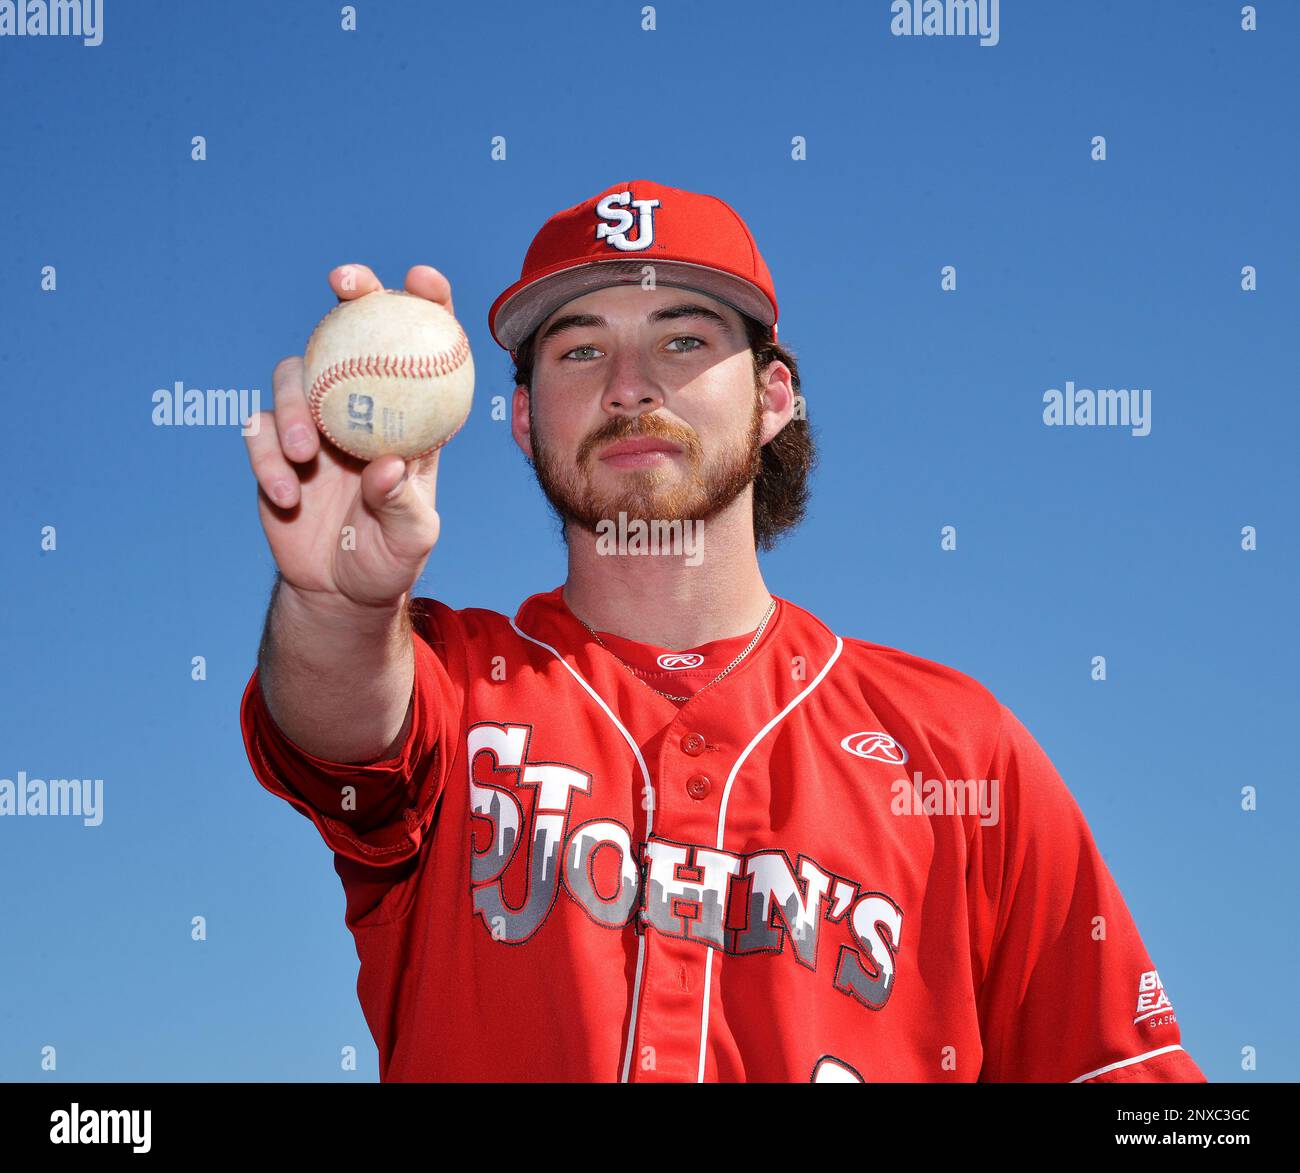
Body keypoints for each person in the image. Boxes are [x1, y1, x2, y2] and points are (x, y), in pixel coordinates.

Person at [239, 179, 1206, 1083]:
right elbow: (342, 720)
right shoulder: (450, 683)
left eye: (684, 340)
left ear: (775, 398)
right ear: (525, 422)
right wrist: (339, 605)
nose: (629, 386)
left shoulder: (959, 751)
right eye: (580, 349)